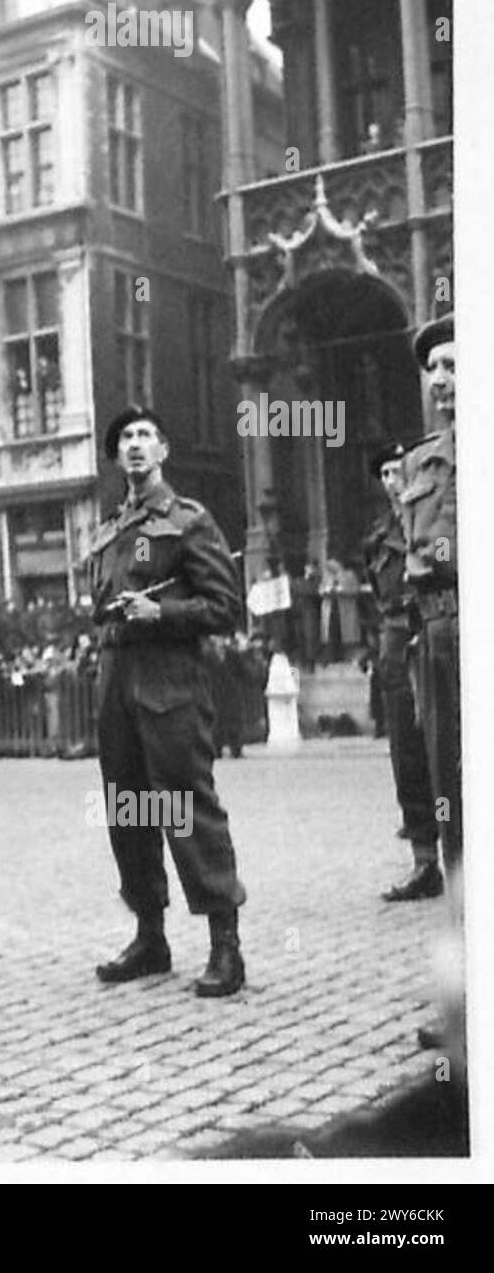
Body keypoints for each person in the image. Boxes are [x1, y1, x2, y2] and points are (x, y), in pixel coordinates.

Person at [88, 406, 247, 997]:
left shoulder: (189, 520)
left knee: (185, 805)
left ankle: (225, 945)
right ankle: (150, 936)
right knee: (128, 809)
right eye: (124, 439)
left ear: (163, 450)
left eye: (144, 436)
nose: (133, 446)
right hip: (116, 681)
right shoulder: (108, 529)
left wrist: (162, 613)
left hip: (170, 682)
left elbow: (224, 607)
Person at [397, 315, 461, 1052]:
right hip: (440, 637)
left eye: (455, 364)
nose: (441, 380)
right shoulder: (420, 465)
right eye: (433, 368)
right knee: (458, 826)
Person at [362, 441, 439, 901]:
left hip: (432, 627)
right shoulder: (376, 537)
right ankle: (425, 859)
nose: (393, 481)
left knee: (447, 744)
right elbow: (378, 593)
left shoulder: (436, 517)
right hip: (395, 640)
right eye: (386, 474)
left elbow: (450, 556)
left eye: (398, 471)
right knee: (407, 753)